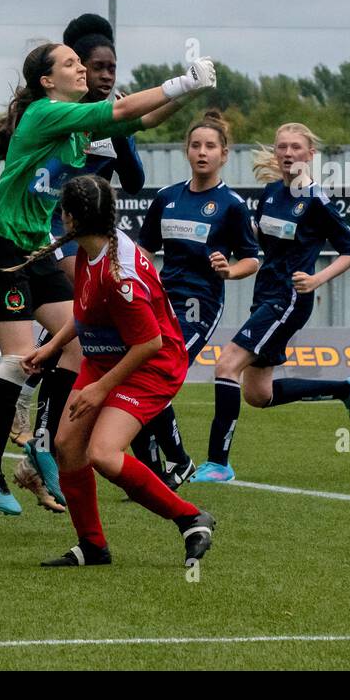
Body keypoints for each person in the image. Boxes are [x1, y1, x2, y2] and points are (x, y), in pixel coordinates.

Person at [0, 40, 215, 514]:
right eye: (71, 64)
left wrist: (185, 94)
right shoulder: (44, 113)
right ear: (46, 80)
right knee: (20, 359)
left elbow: (141, 119)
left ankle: (42, 445)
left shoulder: (77, 127)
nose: (82, 69)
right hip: (0, 244)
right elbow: (120, 113)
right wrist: (183, 81)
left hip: (35, 247)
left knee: (74, 344)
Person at [16, 175, 216, 568]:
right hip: (106, 358)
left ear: (69, 217)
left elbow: (151, 342)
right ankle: (92, 546)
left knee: (104, 454)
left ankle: (191, 519)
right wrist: (51, 347)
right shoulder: (91, 252)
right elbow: (86, 311)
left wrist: (99, 388)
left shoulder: (119, 273)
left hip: (149, 367)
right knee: (68, 446)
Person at [191, 122, 350, 483]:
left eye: (296, 148)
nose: (288, 154)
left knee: (226, 365)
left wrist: (317, 279)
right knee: (259, 395)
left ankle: (218, 464)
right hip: (264, 296)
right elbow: (259, 242)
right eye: (282, 147)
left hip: (288, 299)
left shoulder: (317, 200)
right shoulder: (272, 192)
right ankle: (346, 388)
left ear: (310, 155)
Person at [135, 109, 260, 484]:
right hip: (160, 299)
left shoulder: (232, 206)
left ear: (224, 154)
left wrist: (228, 270)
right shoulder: (166, 198)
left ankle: (180, 461)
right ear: (186, 151)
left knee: (156, 376)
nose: (202, 152)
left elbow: (252, 259)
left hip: (199, 305)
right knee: (137, 373)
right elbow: (145, 250)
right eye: (195, 145)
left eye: (210, 146)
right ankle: (154, 470)